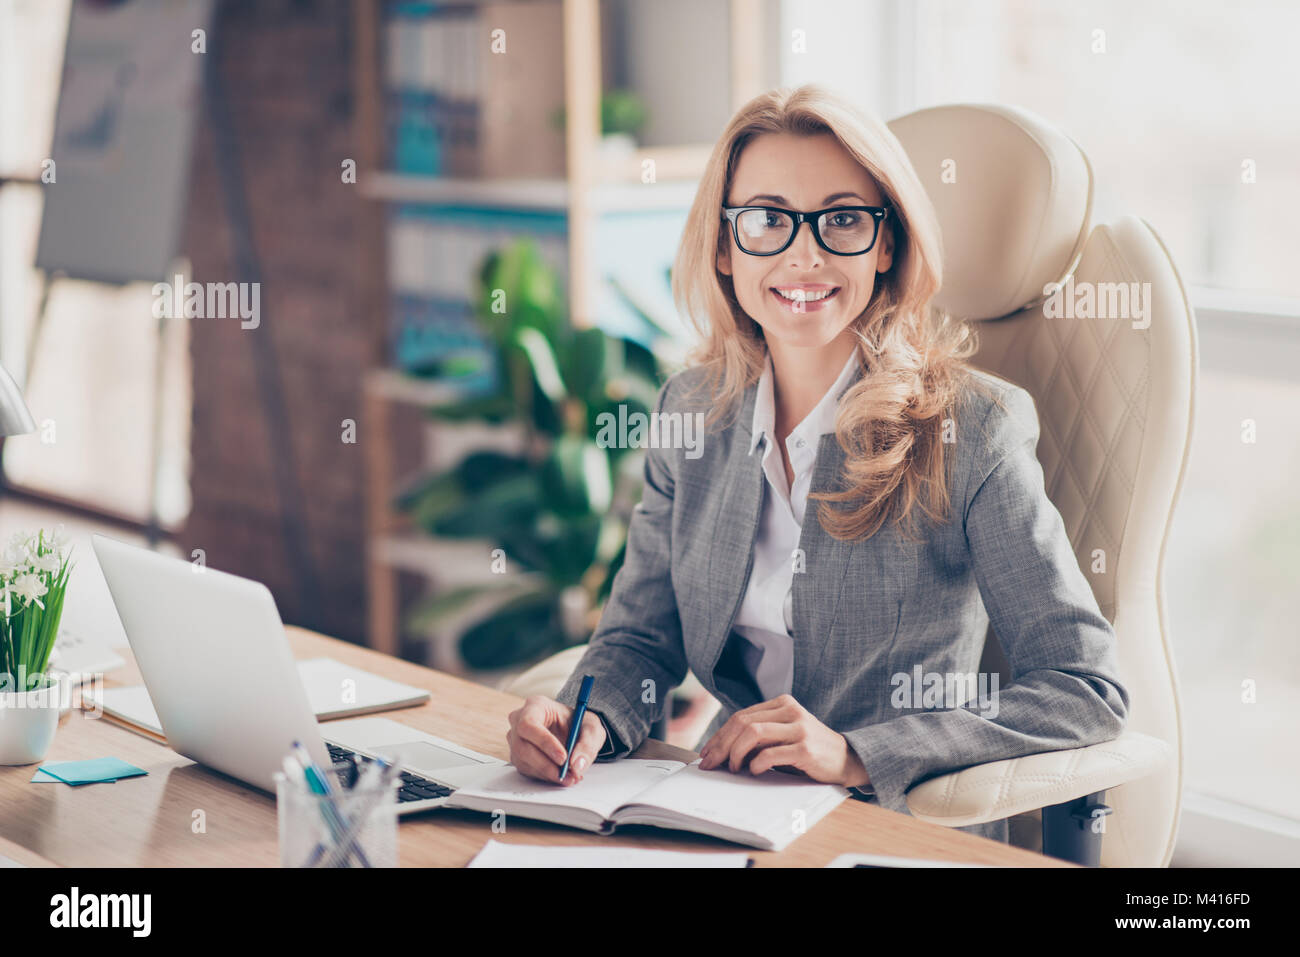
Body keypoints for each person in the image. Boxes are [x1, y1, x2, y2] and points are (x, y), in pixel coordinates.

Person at [505, 84, 1128, 843]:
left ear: (886, 243)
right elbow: (641, 638)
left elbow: (1084, 686)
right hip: (724, 811)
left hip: (897, 831)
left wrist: (856, 753)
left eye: (841, 219)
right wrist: (585, 719)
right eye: (768, 218)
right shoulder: (692, 412)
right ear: (726, 247)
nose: (805, 253)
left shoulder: (972, 430)